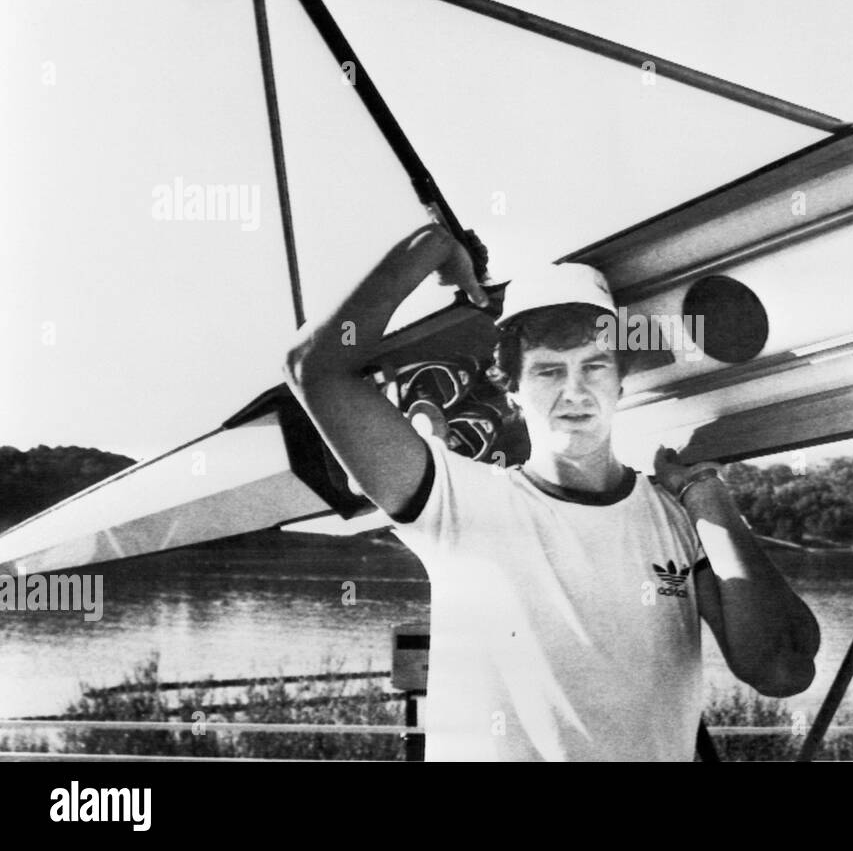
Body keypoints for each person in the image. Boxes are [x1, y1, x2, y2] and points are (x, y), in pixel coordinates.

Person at [284, 220, 820, 760]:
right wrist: (432, 246)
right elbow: (313, 368)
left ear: (620, 381)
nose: (575, 392)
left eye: (594, 366)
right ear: (512, 390)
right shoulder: (453, 499)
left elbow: (782, 669)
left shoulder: (678, 520)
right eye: (547, 372)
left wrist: (708, 493)